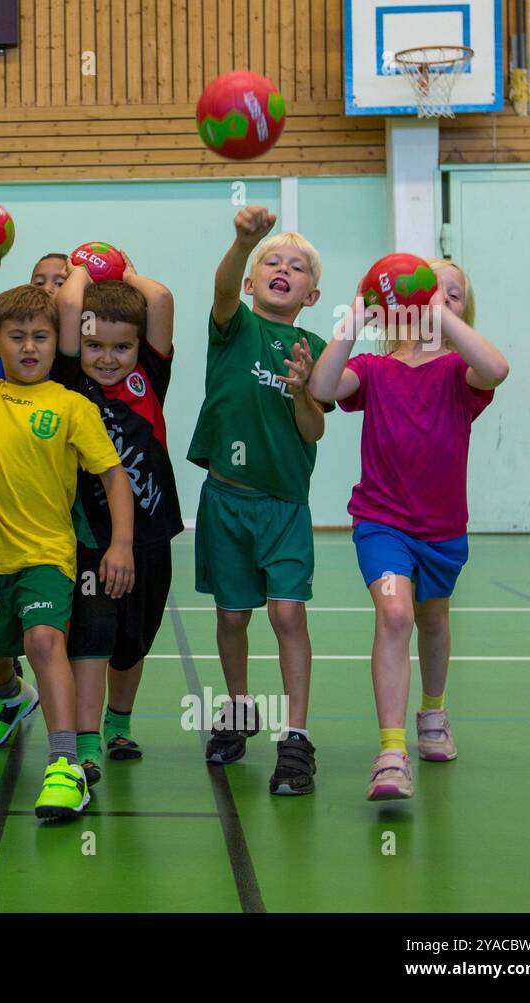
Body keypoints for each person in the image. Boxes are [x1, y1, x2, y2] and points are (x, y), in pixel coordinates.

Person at [309, 258, 508, 800]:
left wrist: (441, 320)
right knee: (395, 612)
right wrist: (353, 318)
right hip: (382, 523)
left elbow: (495, 367)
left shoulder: (459, 375)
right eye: (428, 289)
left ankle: (434, 712)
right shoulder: (374, 369)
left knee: (433, 618)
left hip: (443, 530)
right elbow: (321, 386)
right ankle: (391, 752)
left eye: (452, 294)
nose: (437, 298)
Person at [0, 283, 133, 821]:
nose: (30, 347)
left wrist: (119, 543)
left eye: (41, 337)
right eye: (17, 337)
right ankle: (11, 696)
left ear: (58, 344)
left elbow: (114, 475)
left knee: (42, 640)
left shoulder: (71, 405)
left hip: (47, 553)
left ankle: (64, 766)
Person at [187, 205, 333, 796]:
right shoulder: (235, 326)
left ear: (312, 292)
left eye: (296, 267)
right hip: (226, 501)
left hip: (284, 507)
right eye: (272, 261)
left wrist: (303, 391)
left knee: (287, 614)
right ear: (251, 280)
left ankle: (295, 738)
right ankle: (241, 708)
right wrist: (243, 241)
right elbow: (221, 288)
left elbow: (314, 430)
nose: (282, 269)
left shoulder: (315, 346)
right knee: (231, 615)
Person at [50, 256, 181, 784]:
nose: (107, 358)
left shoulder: (149, 375)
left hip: (150, 533)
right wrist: (81, 265)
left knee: (134, 640)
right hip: (89, 537)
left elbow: (162, 299)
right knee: (93, 633)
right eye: (95, 345)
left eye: (121, 346)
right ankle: (86, 744)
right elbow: (66, 303)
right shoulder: (67, 379)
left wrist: (122, 272)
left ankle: (119, 722)